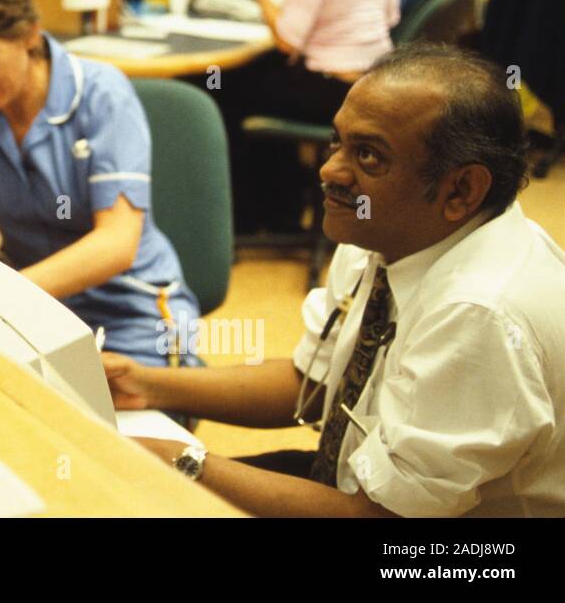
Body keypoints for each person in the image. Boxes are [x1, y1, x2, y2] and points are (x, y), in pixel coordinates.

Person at [103, 44, 565, 517]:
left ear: (461, 189)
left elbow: (380, 517)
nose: (329, 170)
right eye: (336, 142)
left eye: (368, 156)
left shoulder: (479, 316)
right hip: (355, 484)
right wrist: (144, 383)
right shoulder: (385, 232)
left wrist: (182, 462)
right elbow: (315, 381)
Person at [0, 0, 200, 368]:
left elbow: (116, 244)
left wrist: (1, 293)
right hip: (27, 302)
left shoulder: (103, 95)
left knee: (110, 418)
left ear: (30, 35)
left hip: (128, 307)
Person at [232, 0, 401, 232]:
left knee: (230, 92)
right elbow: (390, 16)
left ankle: (260, 217)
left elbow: (288, 43)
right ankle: (281, 209)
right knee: (261, 78)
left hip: (329, 88)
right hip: (371, 82)